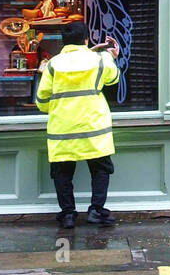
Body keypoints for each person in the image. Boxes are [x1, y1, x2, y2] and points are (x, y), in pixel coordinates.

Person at [35, 21, 121, 228]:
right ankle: (96, 211)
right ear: (86, 40)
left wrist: (58, 108)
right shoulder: (99, 60)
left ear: (63, 41)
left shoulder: (53, 64)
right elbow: (113, 79)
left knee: (62, 172)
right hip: (94, 127)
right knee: (100, 169)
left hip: (62, 129)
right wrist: (110, 55)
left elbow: (41, 101)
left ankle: (67, 214)